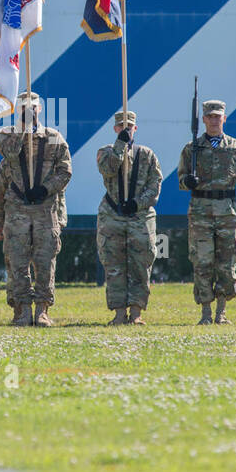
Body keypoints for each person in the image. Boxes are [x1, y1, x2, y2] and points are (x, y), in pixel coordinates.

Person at [0, 92, 71, 326]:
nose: (30, 110)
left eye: (33, 107)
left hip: (45, 210)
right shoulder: (6, 135)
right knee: (17, 261)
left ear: (40, 109)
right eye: (25, 107)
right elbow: (9, 154)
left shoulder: (54, 137)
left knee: (46, 261)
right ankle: (23, 309)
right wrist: (25, 129)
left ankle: (42, 310)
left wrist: (46, 189)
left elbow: (65, 171)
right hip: (17, 211)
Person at [177, 99, 236, 324]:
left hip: (227, 211)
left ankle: (221, 312)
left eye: (217, 116)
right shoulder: (192, 148)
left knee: (226, 262)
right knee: (202, 262)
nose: (213, 120)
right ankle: (205, 313)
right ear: (203, 119)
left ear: (224, 119)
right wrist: (187, 181)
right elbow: (181, 179)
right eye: (209, 116)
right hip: (200, 210)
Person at [96, 110, 162, 324]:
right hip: (113, 214)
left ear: (136, 128)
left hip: (139, 216)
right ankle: (118, 313)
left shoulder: (147, 155)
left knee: (140, 264)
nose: (126, 129)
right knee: (114, 264)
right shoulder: (105, 152)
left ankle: (136, 313)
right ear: (115, 128)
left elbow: (155, 185)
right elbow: (108, 170)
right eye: (121, 126)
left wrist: (138, 203)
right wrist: (119, 145)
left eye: (130, 126)